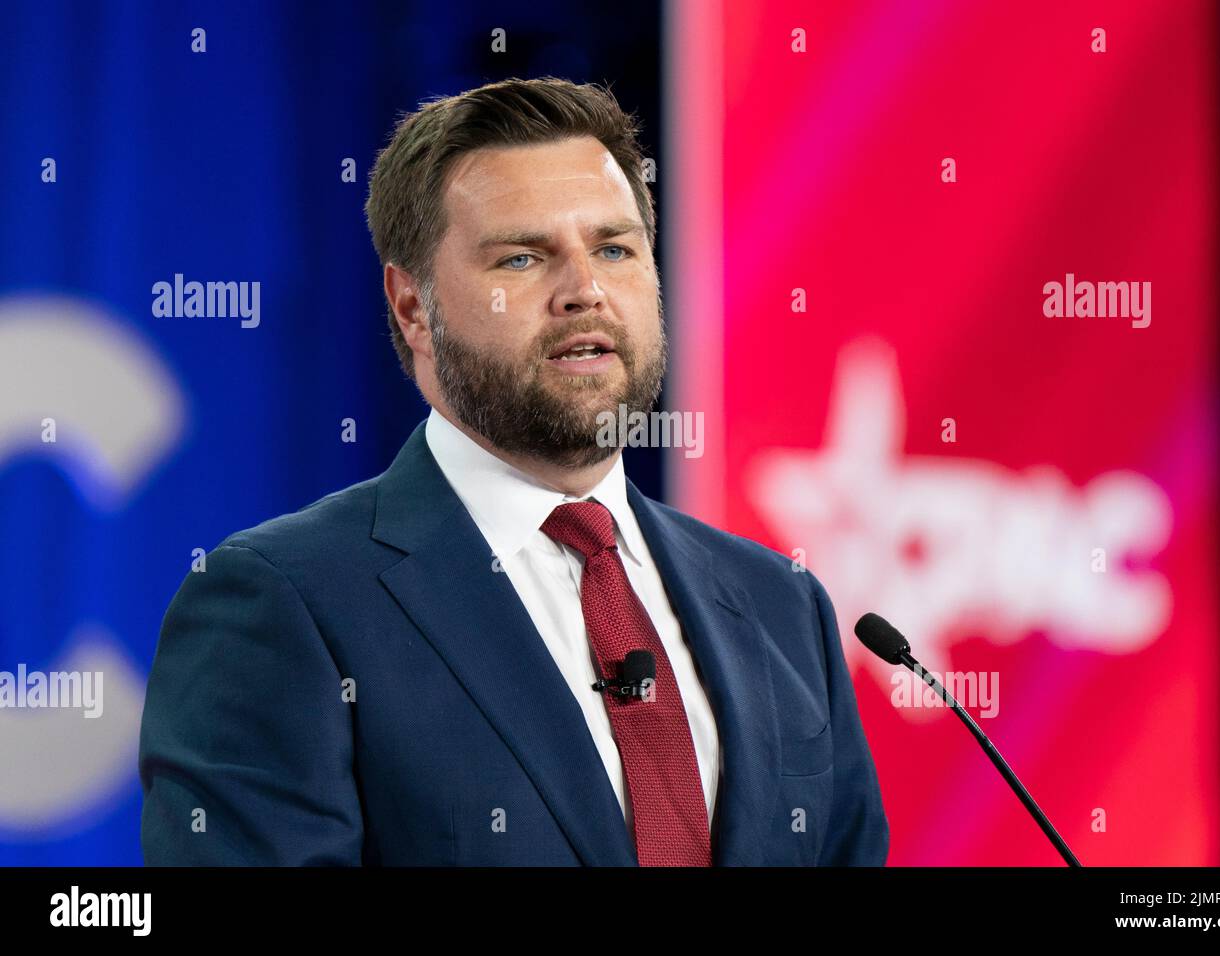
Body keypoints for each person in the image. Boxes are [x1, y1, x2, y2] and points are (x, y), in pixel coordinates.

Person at [138, 76, 888, 866]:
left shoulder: (781, 605)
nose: (585, 292)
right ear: (412, 308)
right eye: (523, 258)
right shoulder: (283, 604)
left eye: (614, 248)